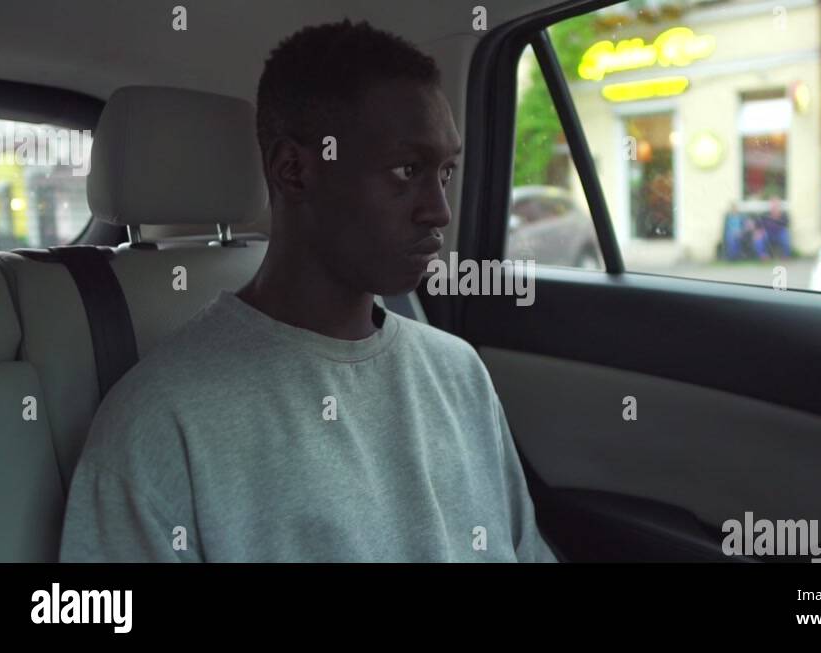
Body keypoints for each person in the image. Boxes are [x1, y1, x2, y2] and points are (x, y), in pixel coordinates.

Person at [59, 20, 558, 563]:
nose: (438, 209)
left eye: (445, 172)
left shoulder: (458, 371)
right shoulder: (159, 423)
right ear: (294, 170)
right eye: (406, 170)